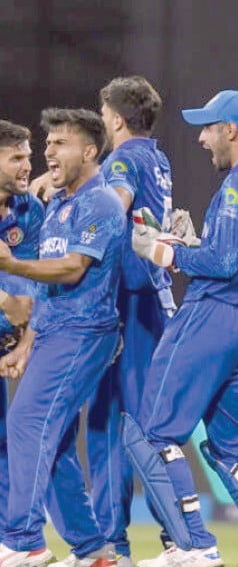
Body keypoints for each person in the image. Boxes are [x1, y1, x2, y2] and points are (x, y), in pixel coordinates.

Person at [122, 89, 238, 567]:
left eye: (208, 128)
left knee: (152, 432)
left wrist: (163, 249)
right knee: (233, 442)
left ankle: (193, 546)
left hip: (212, 314)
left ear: (231, 130)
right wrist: (192, 241)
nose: (202, 138)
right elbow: (233, 256)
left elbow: (220, 263)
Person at [0, 108, 126, 567]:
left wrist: (10, 265)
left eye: (59, 144)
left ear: (90, 152)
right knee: (49, 443)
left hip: (82, 332)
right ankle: (93, 550)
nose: (47, 153)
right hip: (54, 332)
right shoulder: (59, 204)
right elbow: (47, 292)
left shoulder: (100, 202)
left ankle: (22, 541)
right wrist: (27, 343)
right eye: (46, 143)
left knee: (27, 424)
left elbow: (72, 269)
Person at [91, 75, 176, 567]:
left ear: (116, 119)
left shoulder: (123, 159)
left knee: (122, 426)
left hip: (128, 303)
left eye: (103, 117)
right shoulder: (156, 157)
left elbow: (112, 205)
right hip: (150, 299)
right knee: (137, 426)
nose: (103, 124)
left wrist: (70, 204)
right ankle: (163, 538)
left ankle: (137, 543)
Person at [0, 120, 45, 541]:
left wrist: (24, 342)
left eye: (28, 157)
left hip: (6, 342)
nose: (27, 166)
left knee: (4, 440)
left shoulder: (29, 210)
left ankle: (16, 542)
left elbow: (35, 284)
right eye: (16, 158)